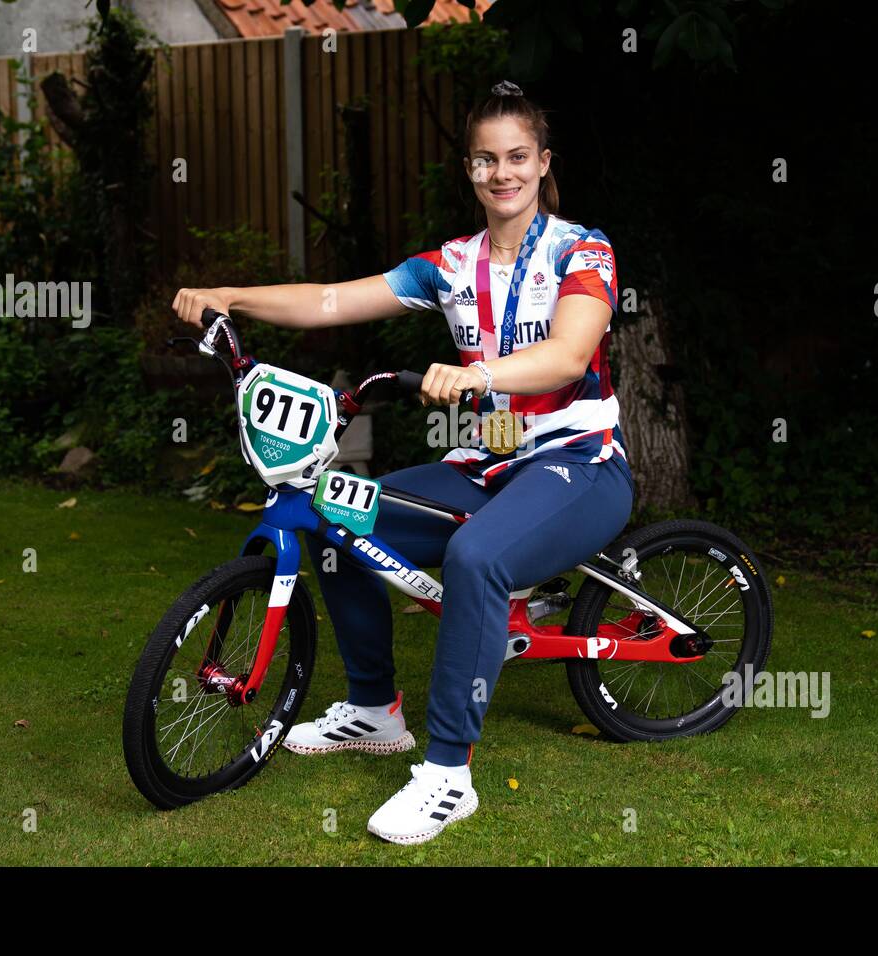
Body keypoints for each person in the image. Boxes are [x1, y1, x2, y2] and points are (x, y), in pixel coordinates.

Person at [172, 80, 633, 845]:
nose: (502, 173)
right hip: (486, 465)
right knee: (335, 510)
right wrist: (230, 295)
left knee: (475, 558)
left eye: (517, 157)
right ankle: (373, 709)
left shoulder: (583, 250)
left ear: (542, 162)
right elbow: (327, 301)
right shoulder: (449, 266)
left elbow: (568, 353)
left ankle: (448, 777)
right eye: (486, 160)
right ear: (469, 170)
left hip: (580, 466)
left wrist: (479, 376)